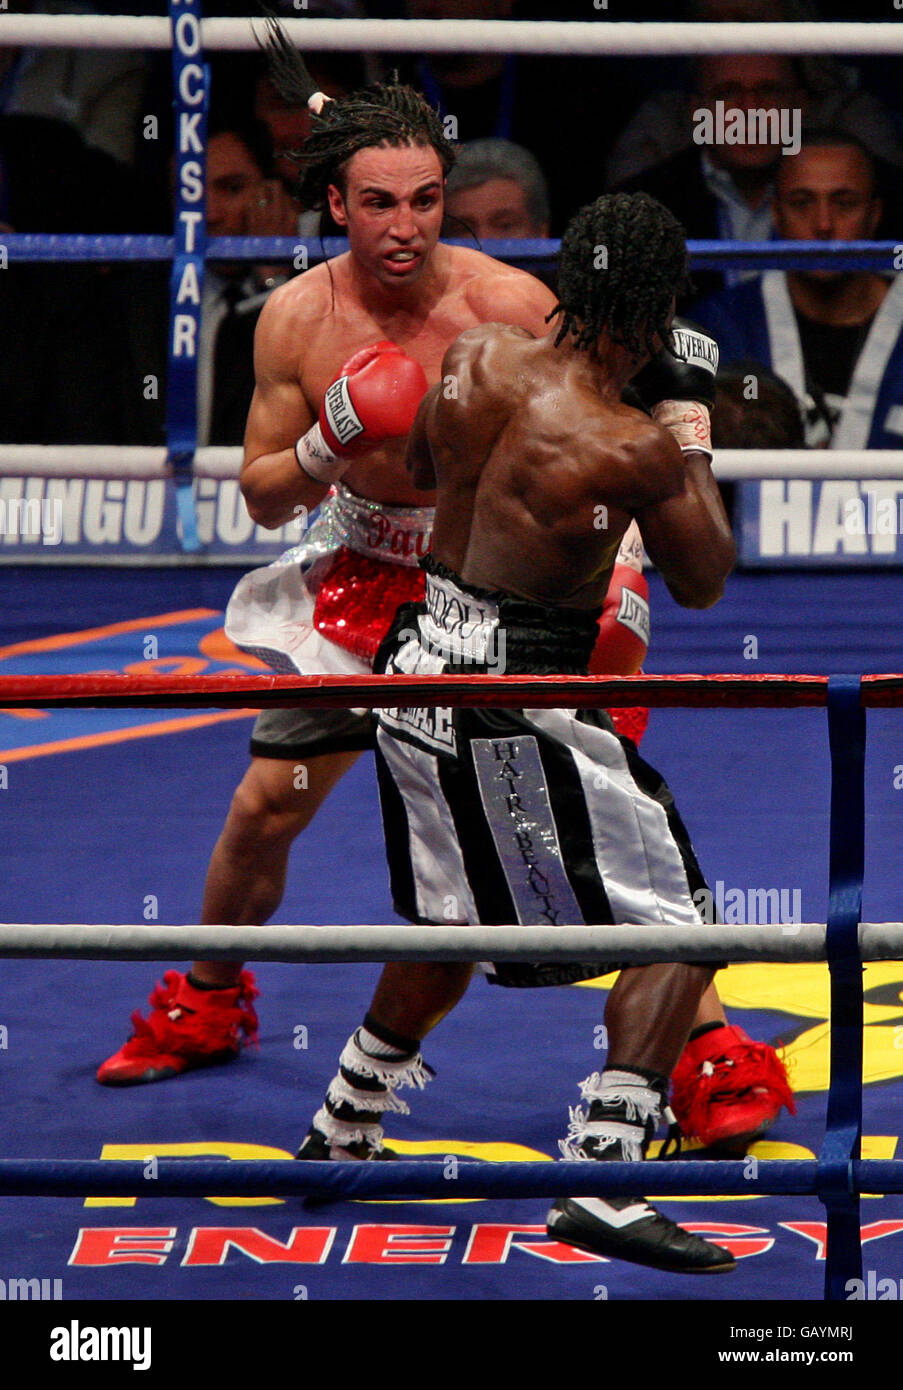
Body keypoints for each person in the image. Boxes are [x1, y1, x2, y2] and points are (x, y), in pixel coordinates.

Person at [297, 192, 741, 1273]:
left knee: (454, 918)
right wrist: (688, 425)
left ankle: (341, 1128)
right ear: (653, 308)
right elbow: (707, 575)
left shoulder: (476, 355)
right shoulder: (630, 443)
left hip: (413, 667)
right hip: (515, 687)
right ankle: (607, 1172)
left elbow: (426, 468)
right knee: (684, 920)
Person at [691, 129, 903, 450]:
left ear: (874, 215)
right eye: (802, 203)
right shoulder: (720, 326)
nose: (823, 224)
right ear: (776, 214)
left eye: (844, 204)